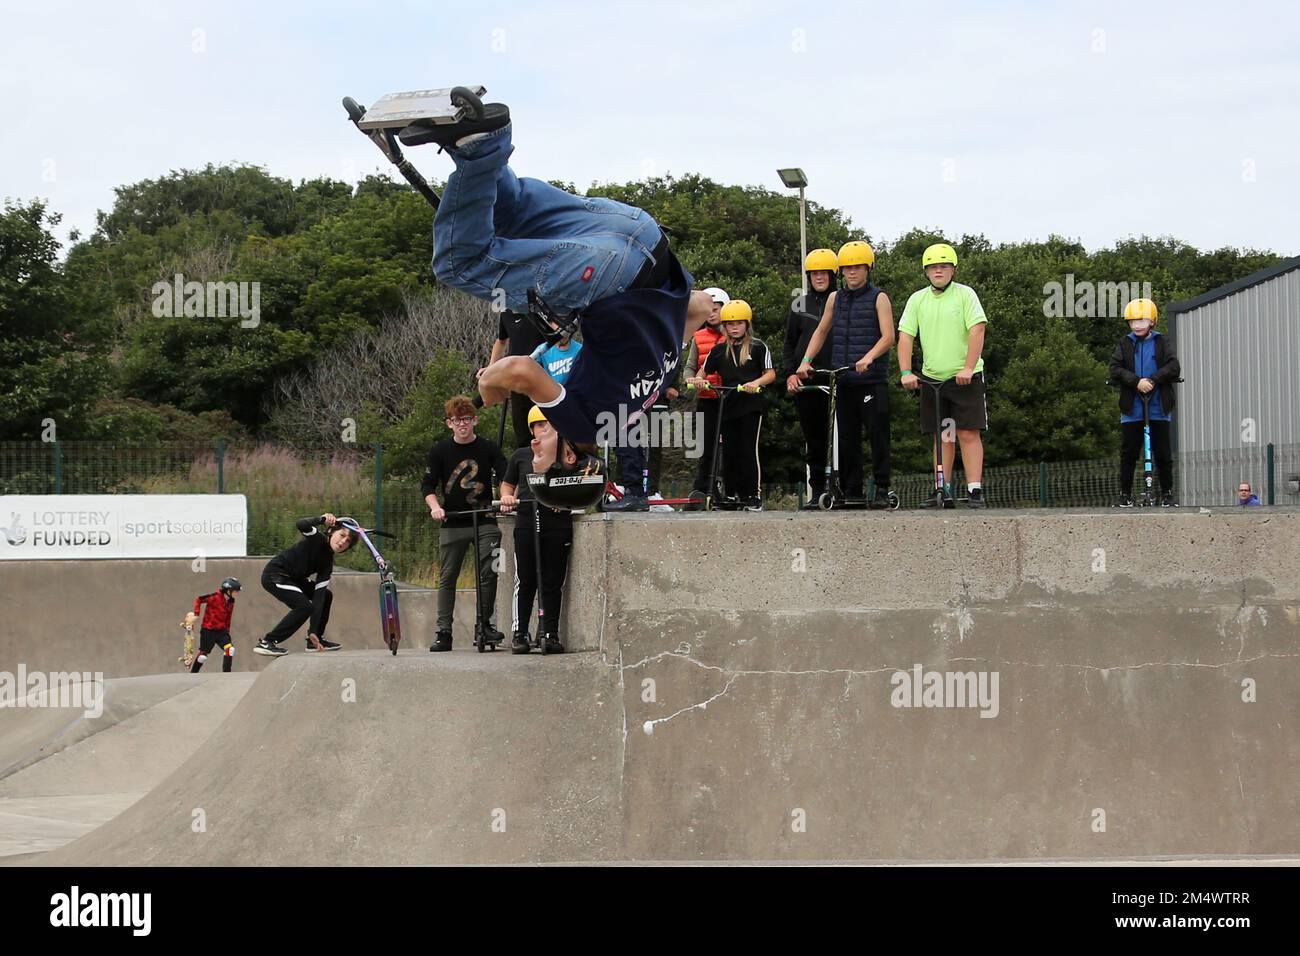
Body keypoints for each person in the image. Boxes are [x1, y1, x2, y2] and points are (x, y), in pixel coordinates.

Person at [405, 100, 713, 505]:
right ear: (571, 455)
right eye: (539, 452)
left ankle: (475, 143)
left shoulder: (656, 381)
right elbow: (521, 370)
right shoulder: (587, 430)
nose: (534, 444)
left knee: (514, 217)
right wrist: (488, 384)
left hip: (644, 234)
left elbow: (701, 305)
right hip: (608, 273)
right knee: (458, 265)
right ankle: (485, 147)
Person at [797, 241, 895, 508]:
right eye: (848, 268)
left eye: (857, 268)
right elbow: (821, 331)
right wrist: (806, 360)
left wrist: (869, 357)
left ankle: (883, 488)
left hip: (871, 379)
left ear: (868, 268)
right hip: (843, 379)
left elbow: (888, 337)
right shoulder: (835, 298)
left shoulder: (879, 297)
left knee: (876, 435)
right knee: (847, 438)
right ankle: (853, 490)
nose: (852, 273)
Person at [896, 242, 990, 509]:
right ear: (926, 271)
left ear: (953, 270)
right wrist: (905, 371)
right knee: (943, 435)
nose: (939, 271)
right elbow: (905, 336)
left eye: (944, 266)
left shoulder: (965, 295)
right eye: (934, 267)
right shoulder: (917, 299)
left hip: (964, 377)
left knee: (968, 432)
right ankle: (942, 489)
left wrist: (968, 367)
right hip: (932, 378)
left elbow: (977, 330)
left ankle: (975, 490)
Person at [422, 395, 510, 652]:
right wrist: (436, 507)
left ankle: (484, 625)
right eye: (457, 420)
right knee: (448, 576)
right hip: (453, 520)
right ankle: (443, 631)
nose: (463, 424)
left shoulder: (488, 448)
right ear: (449, 423)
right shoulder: (439, 451)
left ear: (475, 420)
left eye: (467, 419)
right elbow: (428, 484)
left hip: (484, 518)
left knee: (489, 571)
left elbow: (506, 473)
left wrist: (506, 496)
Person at [500, 405, 573, 654]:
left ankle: (549, 632)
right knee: (526, 579)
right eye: (539, 425)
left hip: (557, 522)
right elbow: (506, 486)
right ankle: (520, 632)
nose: (544, 429)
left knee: (552, 581)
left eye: (549, 424)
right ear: (532, 429)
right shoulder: (521, 455)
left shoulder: (566, 452)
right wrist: (507, 498)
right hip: (527, 521)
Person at [694, 300, 775, 511]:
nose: (735, 327)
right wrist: (699, 380)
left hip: (750, 405)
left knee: (747, 450)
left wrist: (755, 383)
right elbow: (702, 372)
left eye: (739, 323)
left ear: (747, 324)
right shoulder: (719, 350)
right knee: (729, 452)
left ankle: (752, 495)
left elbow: (770, 373)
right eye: (731, 324)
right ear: (725, 326)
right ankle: (730, 494)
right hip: (727, 405)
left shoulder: (758, 347)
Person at [1109, 298, 1180, 507]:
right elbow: (1115, 368)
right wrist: (1136, 382)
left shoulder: (1161, 342)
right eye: (1133, 321)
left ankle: (1167, 493)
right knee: (1128, 452)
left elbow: (1174, 366)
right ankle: (1125, 494)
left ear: (1152, 321)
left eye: (1142, 320)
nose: (1137, 325)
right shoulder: (1124, 343)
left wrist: (1153, 380)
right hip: (1133, 407)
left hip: (1157, 406)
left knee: (1163, 453)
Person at [784, 250, 838, 509]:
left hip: (839, 379)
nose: (819, 277)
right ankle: (817, 491)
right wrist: (790, 373)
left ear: (832, 275)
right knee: (814, 439)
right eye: (814, 273)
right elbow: (789, 344)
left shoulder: (843, 301)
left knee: (841, 438)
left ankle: (844, 488)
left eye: (823, 273)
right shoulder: (799, 305)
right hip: (808, 380)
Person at [256, 516, 354, 656]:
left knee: (326, 596)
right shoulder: (318, 539)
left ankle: (314, 641)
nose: (343, 542)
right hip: (275, 575)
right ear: (332, 531)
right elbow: (301, 524)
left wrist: (313, 631)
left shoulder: (327, 565)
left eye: (348, 541)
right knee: (304, 607)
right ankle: (268, 642)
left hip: (295, 579)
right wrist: (322, 519)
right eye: (342, 535)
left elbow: (319, 596)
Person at [682, 288, 730, 506]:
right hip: (707, 398)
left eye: (716, 308)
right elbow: (689, 368)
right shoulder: (698, 337)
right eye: (708, 309)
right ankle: (701, 492)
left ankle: (732, 490)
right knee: (706, 448)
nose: (711, 313)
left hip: (730, 399)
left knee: (732, 447)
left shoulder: (734, 334)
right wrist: (692, 381)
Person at [485, 311, 546, 450]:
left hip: (540, 374)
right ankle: (526, 465)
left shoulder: (535, 308)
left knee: (543, 422)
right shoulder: (506, 314)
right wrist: (490, 367)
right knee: (521, 426)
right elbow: (501, 341)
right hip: (517, 378)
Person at [185, 577, 241, 673]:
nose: (237, 593)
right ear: (228, 590)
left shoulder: (231, 601)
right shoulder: (214, 597)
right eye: (236, 591)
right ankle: (193, 673)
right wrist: (196, 614)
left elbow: (228, 617)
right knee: (203, 656)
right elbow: (198, 599)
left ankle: (226, 674)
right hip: (208, 630)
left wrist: (227, 631)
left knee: (230, 649)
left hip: (221, 631)